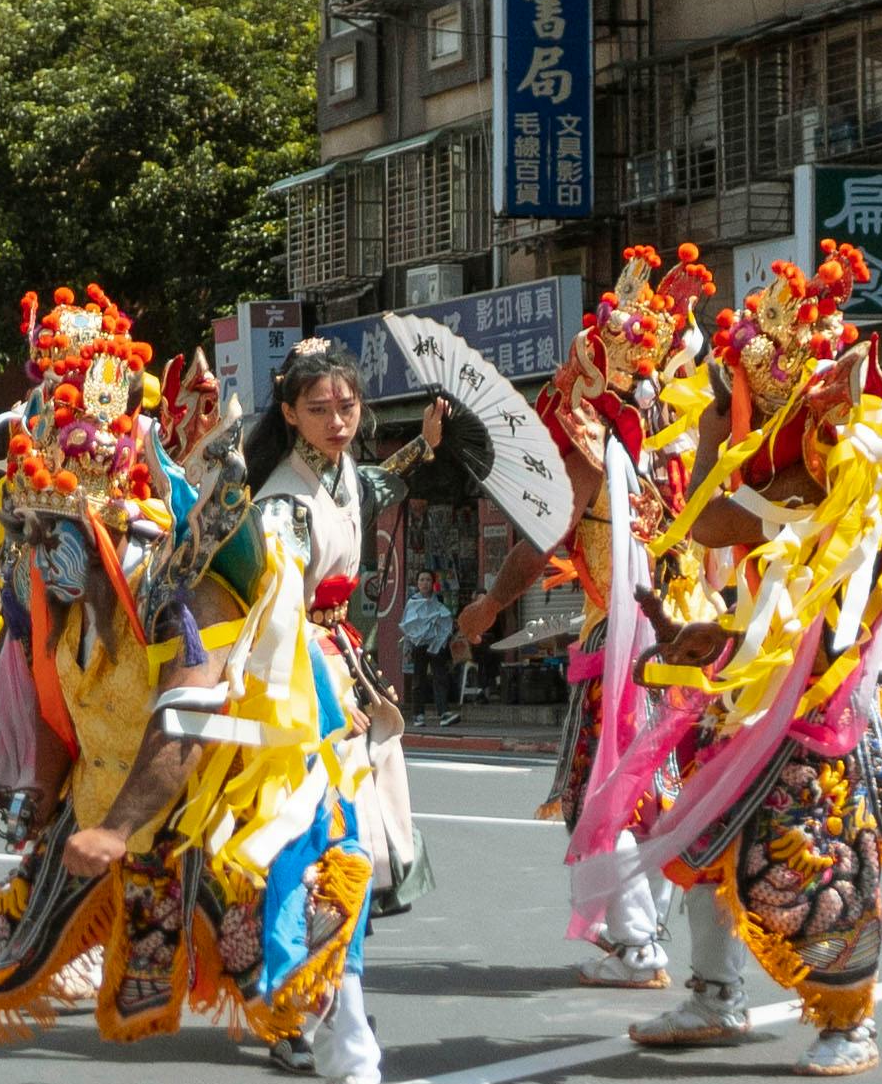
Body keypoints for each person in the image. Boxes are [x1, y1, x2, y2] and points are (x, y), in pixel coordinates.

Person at [0, 294, 400, 1084]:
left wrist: (118, 830)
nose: (40, 552)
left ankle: (355, 1077)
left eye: (53, 532)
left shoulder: (176, 584)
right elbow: (59, 705)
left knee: (284, 929)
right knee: (13, 921)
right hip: (112, 798)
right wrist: (46, 800)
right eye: (31, 533)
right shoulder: (52, 596)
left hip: (227, 802)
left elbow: (188, 717)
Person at [615, 247, 882, 1077]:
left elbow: (738, 536)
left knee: (822, 854)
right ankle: (716, 994)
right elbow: (726, 543)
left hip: (822, 698)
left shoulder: (853, 474)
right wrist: (725, 639)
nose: (731, 410)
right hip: (762, 681)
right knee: (700, 826)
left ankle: (849, 1018)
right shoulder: (775, 474)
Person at [463, 243, 720, 989]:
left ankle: (638, 942)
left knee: (605, 789)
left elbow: (544, 540)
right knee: (672, 787)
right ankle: (640, 931)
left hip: (627, 646)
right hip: (696, 639)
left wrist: (488, 605)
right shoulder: (680, 443)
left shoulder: (597, 444)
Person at [244, 338, 442, 929]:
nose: (337, 423)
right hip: (298, 661)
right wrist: (324, 696)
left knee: (370, 772)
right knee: (323, 794)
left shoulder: (341, 472)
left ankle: (348, 911)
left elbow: (375, 486)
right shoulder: (284, 503)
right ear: (288, 412)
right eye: (319, 410)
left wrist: (425, 447)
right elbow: (278, 612)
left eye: (348, 408)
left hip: (341, 653)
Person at [400, 571, 457, 725]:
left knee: (440, 677)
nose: (424, 583)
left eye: (427, 580)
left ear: (432, 583)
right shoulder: (412, 602)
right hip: (419, 645)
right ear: (417, 583)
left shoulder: (438, 601)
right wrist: (407, 649)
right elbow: (408, 627)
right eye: (422, 580)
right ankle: (418, 715)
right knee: (419, 680)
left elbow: (444, 620)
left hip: (436, 644)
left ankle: (443, 712)